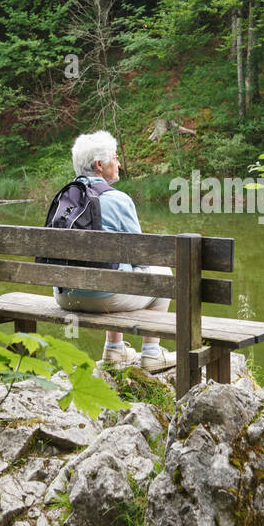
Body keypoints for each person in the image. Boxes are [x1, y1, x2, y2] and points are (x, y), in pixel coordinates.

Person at [53, 130, 175, 369]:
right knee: (162, 274)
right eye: (115, 157)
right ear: (100, 165)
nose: (118, 163)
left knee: (114, 272)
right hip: (102, 298)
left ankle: (115, 349)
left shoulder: (64, 197)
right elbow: (141, 257)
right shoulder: (118, 199)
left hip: (64, 296)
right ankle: (151, 352)